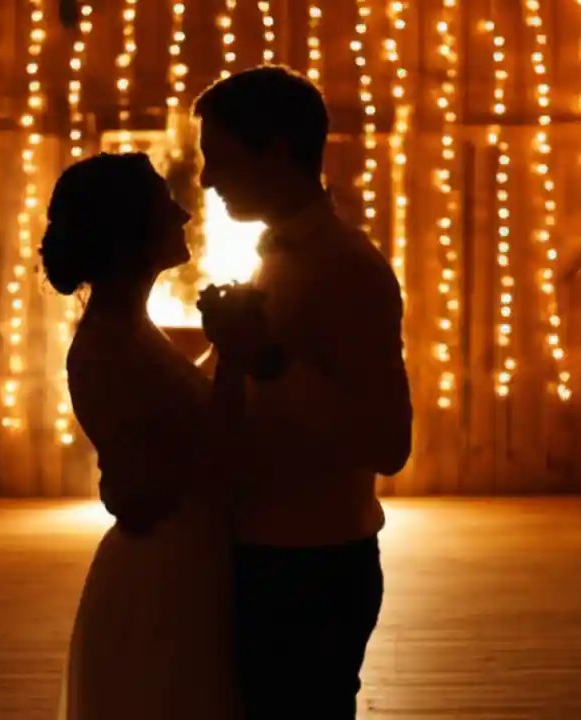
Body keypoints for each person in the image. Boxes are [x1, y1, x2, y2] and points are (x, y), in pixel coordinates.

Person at [194, 66, 413, 719]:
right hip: (269, 553)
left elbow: (388, 440)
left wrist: (267, 360)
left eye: (220, 159)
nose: (206, 179)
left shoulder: (348, 268)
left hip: (313, 566)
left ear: (279, 152)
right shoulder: (275, 257)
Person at [44, 153, 246, 720]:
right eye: (165, 204)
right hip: (165, 574)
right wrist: (234, 350)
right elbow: (204, 457)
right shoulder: (110, 346)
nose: (183, 213)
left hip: (185, 560)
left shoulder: (130, 328)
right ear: (129, 230)